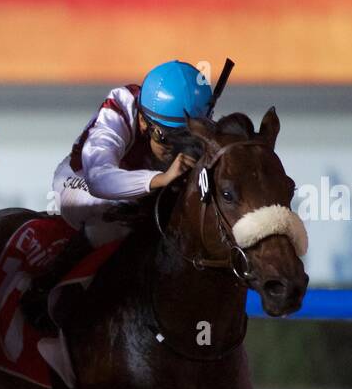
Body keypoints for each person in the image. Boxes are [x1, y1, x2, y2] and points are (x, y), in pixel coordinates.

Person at [22, 59, 214, 333]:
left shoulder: (191, 118)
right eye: (168, 138)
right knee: (123, 211)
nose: (176, 149)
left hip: (143, 186)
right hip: (81, 183)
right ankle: (44, 289)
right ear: (143, 121)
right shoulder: (119, 108)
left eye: (188, 138)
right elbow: (99, 178)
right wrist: (161, 178)